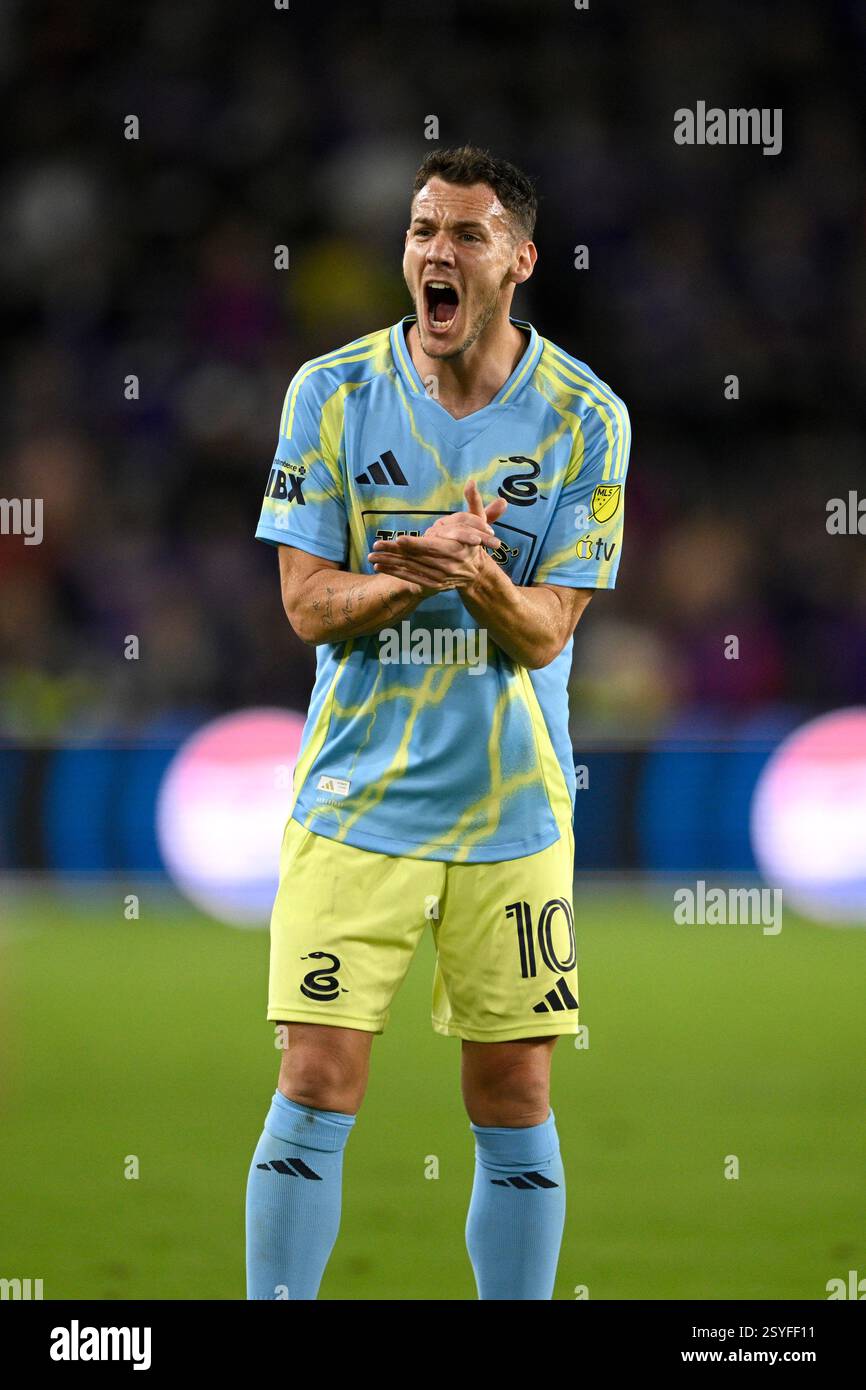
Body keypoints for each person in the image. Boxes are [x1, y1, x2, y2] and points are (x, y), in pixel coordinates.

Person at [246, 144, 631, 1300]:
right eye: (421, 231)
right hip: (354, 801)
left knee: (511, 1094)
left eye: (462, 235)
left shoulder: (583, 417)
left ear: (515, 259)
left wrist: (473, 577)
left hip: (512, 810)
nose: (433, 253)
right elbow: (308, 606)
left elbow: (547, 632)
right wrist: (412, 574)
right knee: (314, 1077)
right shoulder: (329, 392)